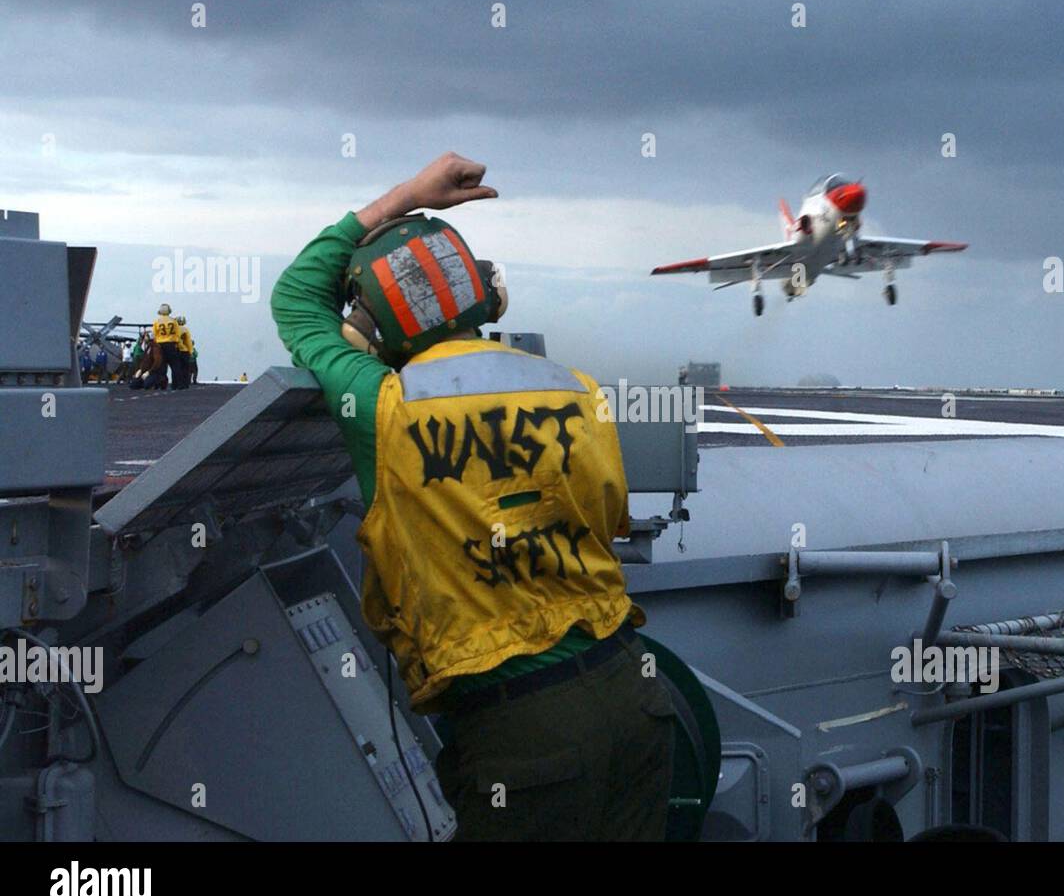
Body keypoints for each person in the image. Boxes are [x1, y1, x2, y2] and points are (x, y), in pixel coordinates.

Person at [271, 151, 674, 841]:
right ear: (489, 295)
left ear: (367, 331)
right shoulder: (576, 388)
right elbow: (609, 520)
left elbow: (293, 297)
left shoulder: (383, 406)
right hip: (635, 696)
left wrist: (402, 197)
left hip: (522, 729)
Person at [151, 303, 187, 390]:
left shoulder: (156, 322)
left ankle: (161, 384)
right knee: (175, 365)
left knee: (161, 366)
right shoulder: (173, 321)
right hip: (171, 344)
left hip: (160, 345)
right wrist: (177, 344)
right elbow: (177, 334)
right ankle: (178, 385)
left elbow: (154, 335)